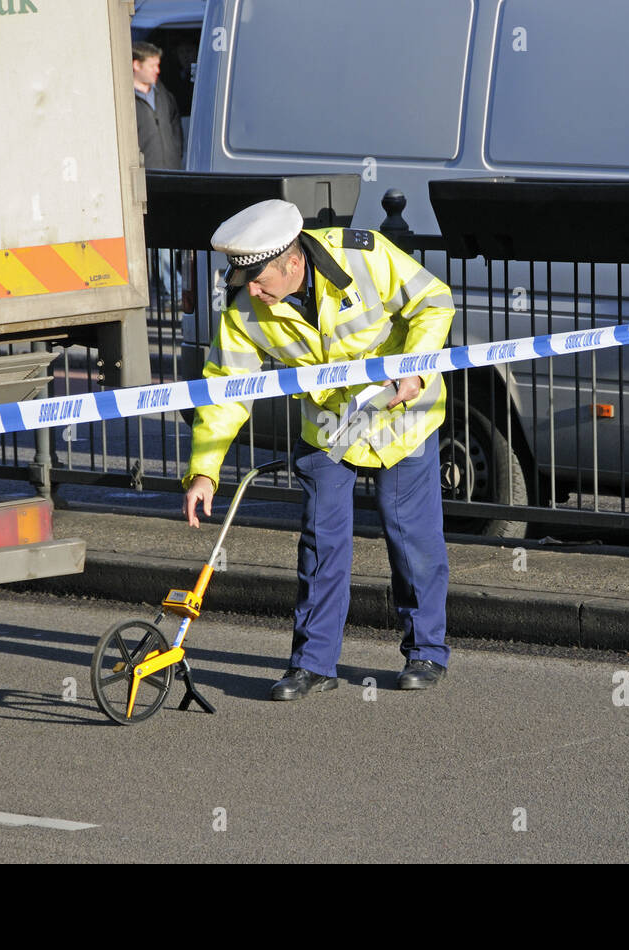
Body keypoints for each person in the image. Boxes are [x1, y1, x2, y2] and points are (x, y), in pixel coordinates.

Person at [182, 200, 454, 700]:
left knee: (410, 537)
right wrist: (204, 471)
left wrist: (414, 366)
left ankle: (426, 652)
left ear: (292, 261)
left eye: (260, 280)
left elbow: (434, 301)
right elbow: (226, 389)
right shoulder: (245, 305)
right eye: (245, 281)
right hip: (329, 430)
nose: (253, 292)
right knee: (320, 544)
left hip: (402, 420)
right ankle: (313, 664)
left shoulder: (364, 258)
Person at [132, 41, 182, 307]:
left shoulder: (162, 95)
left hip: (170, 175)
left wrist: (177, 157)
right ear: (135, 65)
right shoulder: (126, 100)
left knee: (170, 236)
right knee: (156, 239)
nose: (157, 71)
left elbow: (175, 128)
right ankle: (171, 288)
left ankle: (171, 286)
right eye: (152, 65)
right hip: (146, 178)